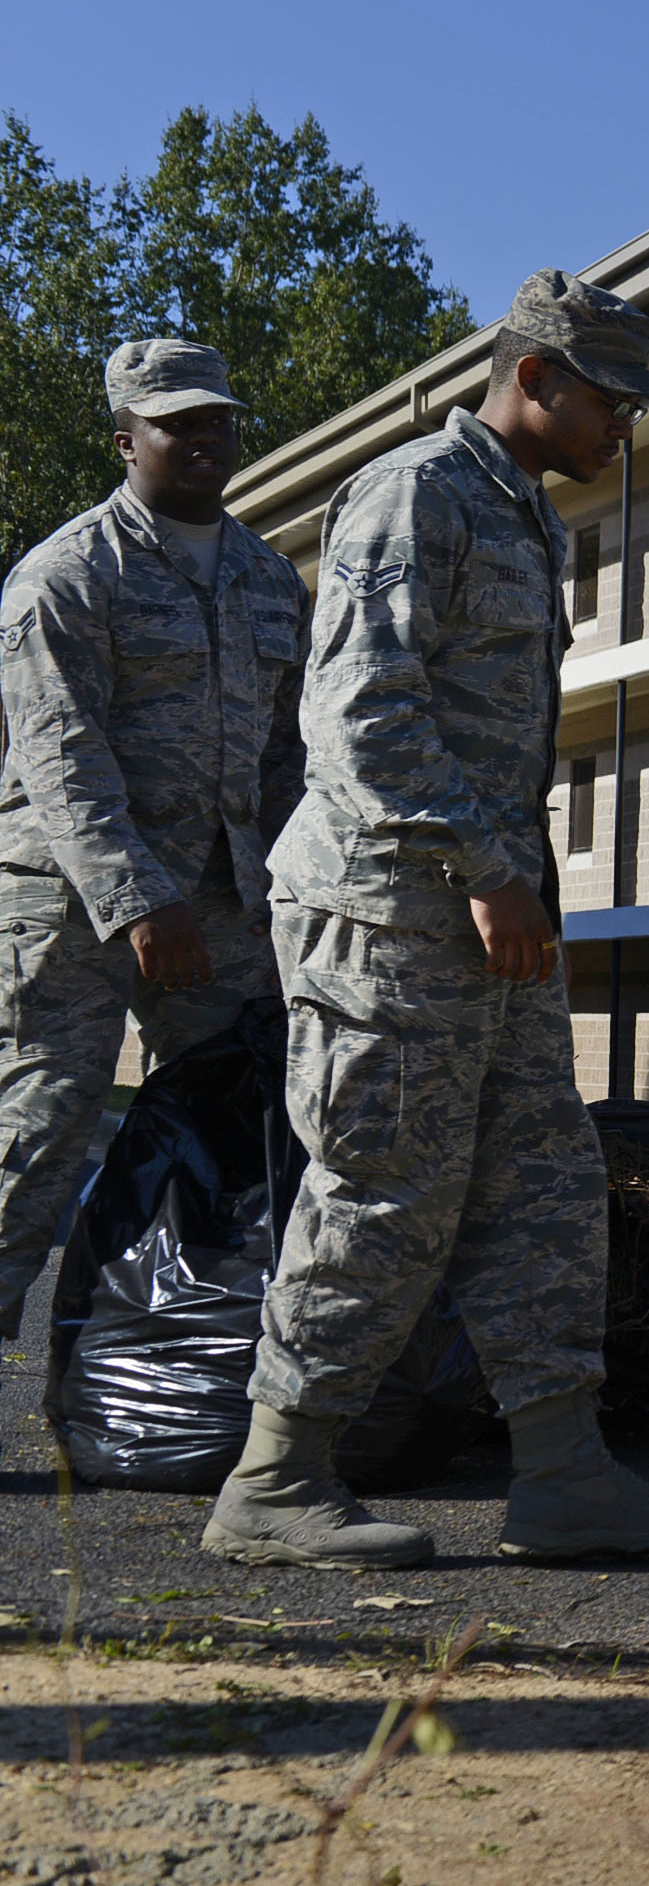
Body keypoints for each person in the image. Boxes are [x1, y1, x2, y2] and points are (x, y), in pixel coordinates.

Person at [208, 273, 649, 1570]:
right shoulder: (414, 494)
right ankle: (275, 1478)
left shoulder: (523, 518)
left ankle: (563, 1471)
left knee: (542, 1185)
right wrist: (490, 869)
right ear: (537, 377)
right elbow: (359, 714)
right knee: (385, 1188)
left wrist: (516, 887)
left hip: (485, 916)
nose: (623, 430)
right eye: (610, 402)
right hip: (388, 911)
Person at [0, 341, 306, 1345]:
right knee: (37, 1132)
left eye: (218, 417)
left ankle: (195, 1364)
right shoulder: (66, 573)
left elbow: (287, 753)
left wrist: (289, 888)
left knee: (242, 1121)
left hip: (221, 903)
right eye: (179, 422)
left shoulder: (268, 580)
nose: (206, 436)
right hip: (72, 901)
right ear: (126, 439)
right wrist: (137, 898)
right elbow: (61, 753)